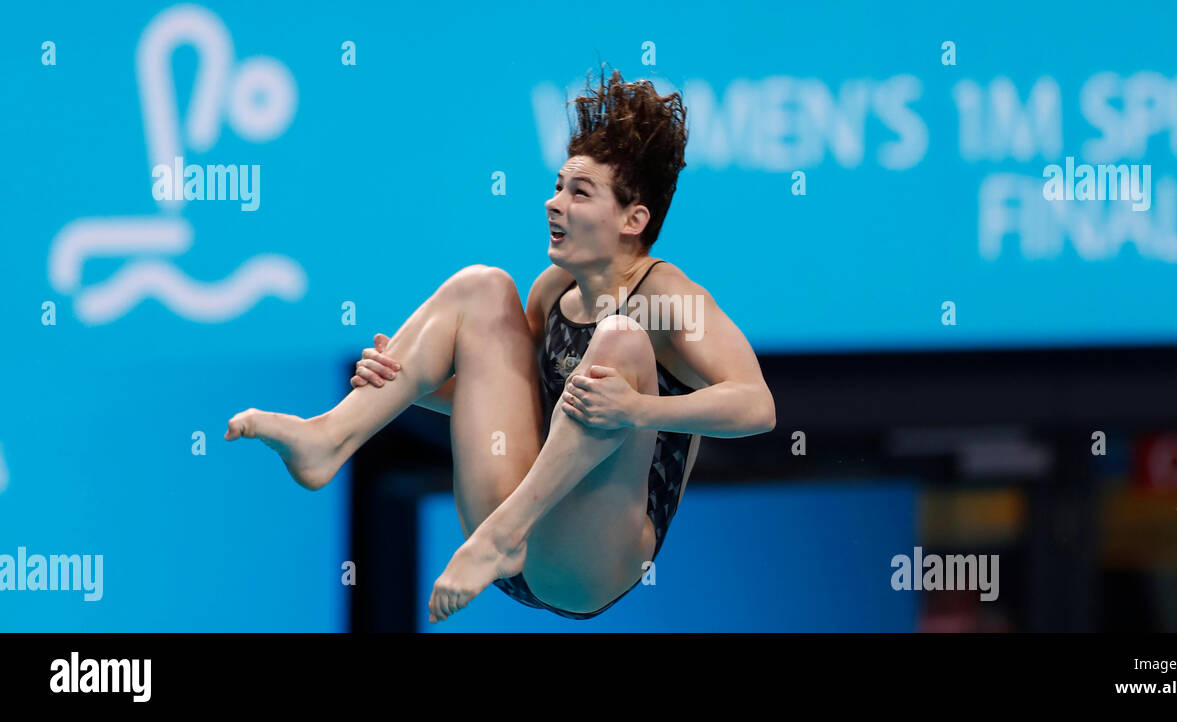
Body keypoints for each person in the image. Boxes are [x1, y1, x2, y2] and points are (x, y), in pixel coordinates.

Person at [225, 65, 775, 623]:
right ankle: (330, 436)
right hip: (514, 535)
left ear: (634, 219)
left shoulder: (670, 298)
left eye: (579, 193)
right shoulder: (553, 290)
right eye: (558, 186)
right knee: (481, 285)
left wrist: (638, 410)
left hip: (589, 562)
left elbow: (757, 406)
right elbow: (520, 405)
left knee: (621, 339)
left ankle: (501, 537)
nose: (554, 203)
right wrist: (409, 381)